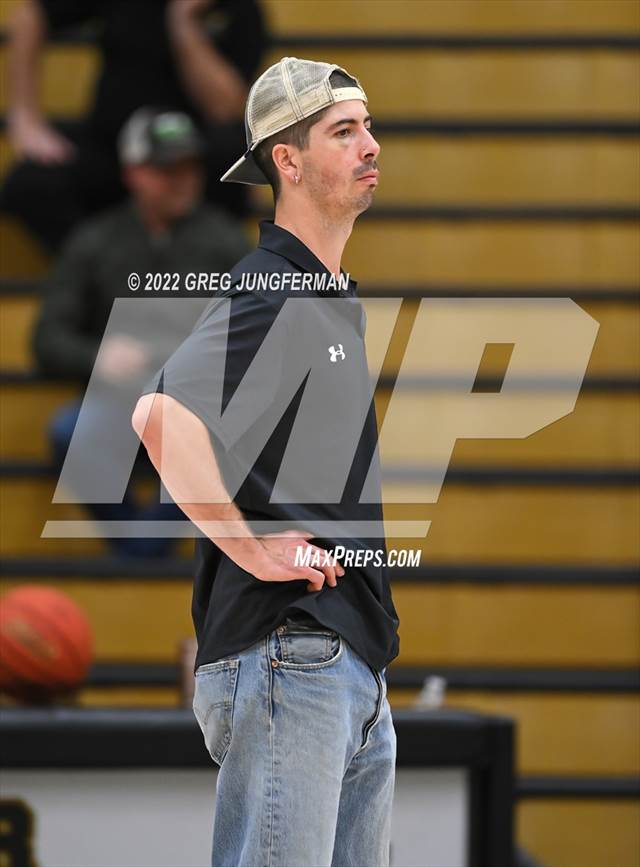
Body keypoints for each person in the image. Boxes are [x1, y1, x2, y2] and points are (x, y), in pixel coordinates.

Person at [132, 58, 399, 865]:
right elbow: (158, 414)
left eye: (368, 127)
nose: (370, 144)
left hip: (341, 663)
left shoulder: (323, 295)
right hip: (294, 654)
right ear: (287, 161)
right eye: (343, 131)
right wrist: (249, 545)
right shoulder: (273, 289)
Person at [34, 107, 251, 558]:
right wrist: (99, 357)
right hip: (120, 409)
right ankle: (139, 544)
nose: (183, 179)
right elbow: (46, 338)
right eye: (167, 168)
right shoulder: (94, 241)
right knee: (69, 430)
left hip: (200, 415)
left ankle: (140, 550)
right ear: (134, 173)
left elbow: (263, 337)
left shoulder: (226, 241)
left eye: (190, 166)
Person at [2, 0, 267, 251]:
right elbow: (31, 15)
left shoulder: (238, 9)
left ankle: (184, 271)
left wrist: (183, 23)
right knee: (32, 183)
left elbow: (224, 109)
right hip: (113, 154)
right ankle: (104, 271)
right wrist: (25, 117)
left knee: (235, 163)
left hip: (192, 162)